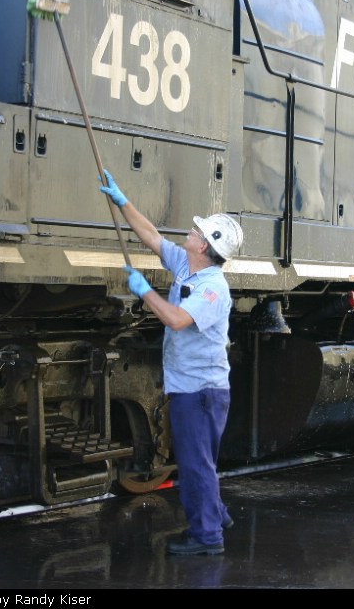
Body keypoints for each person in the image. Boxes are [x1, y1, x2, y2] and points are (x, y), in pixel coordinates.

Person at [99, 170, 243, 556]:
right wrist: (122, 201)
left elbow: (177, 320)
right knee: (200, 461)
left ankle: (207, 538)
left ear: (205, 247)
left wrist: (145, 291)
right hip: (193, 387)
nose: (190, 233)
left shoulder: (212, 288)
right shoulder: (186, 264)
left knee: (195, 465)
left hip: (200, 392)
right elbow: (151, 237)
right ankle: (217, 514)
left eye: (197, 232)